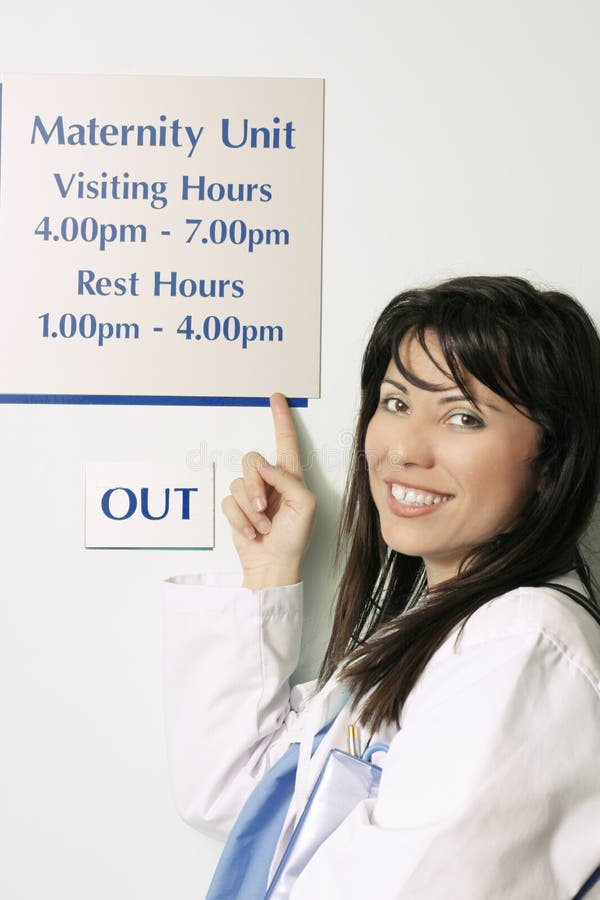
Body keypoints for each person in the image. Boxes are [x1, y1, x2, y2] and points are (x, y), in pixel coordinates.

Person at [163, 275, 600, 899]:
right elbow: (241, 799)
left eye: (462, 416)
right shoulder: (429, 638)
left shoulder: (525, 648)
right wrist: (267, 574)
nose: (403, 450)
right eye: (396, 403)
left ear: (551, 462)